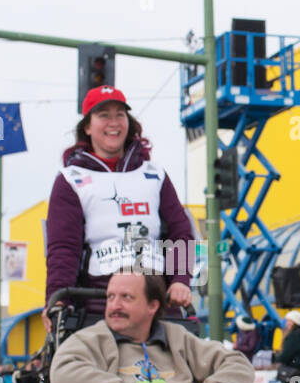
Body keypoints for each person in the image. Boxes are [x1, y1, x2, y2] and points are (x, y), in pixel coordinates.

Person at [45, 86, 194, 331]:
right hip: (97, 302)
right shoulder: (70, 179)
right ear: (87, 126)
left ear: (129, 122)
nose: (113, 122)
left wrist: (181, 280)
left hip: (156, 301)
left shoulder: (154, 174)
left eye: (120, 115)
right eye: (103, 115)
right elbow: (63, 247)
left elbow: (181, 232)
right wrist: (58, 298)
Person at [49, 270, 252, 383]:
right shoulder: (91, 340)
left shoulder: (178, 338)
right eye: (111, 297)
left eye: (126, 297)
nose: (115, 306)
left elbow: (237, 364)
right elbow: (63, 375)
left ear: (152, 306)